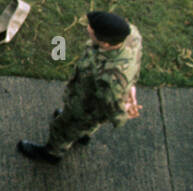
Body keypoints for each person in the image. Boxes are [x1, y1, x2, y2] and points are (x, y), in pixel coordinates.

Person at [18, 11, 143, 164]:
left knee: (62, 127)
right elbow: (135, 64)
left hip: (86, 105)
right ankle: (83, 134)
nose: (88, 29)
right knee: (89, 124)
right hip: (93, 99)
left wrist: (124, 112)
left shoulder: (110, 77)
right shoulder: (131, 35)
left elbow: (112, 108)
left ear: (105, 44)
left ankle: (52, 153)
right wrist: (131, 85)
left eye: (92, 31)